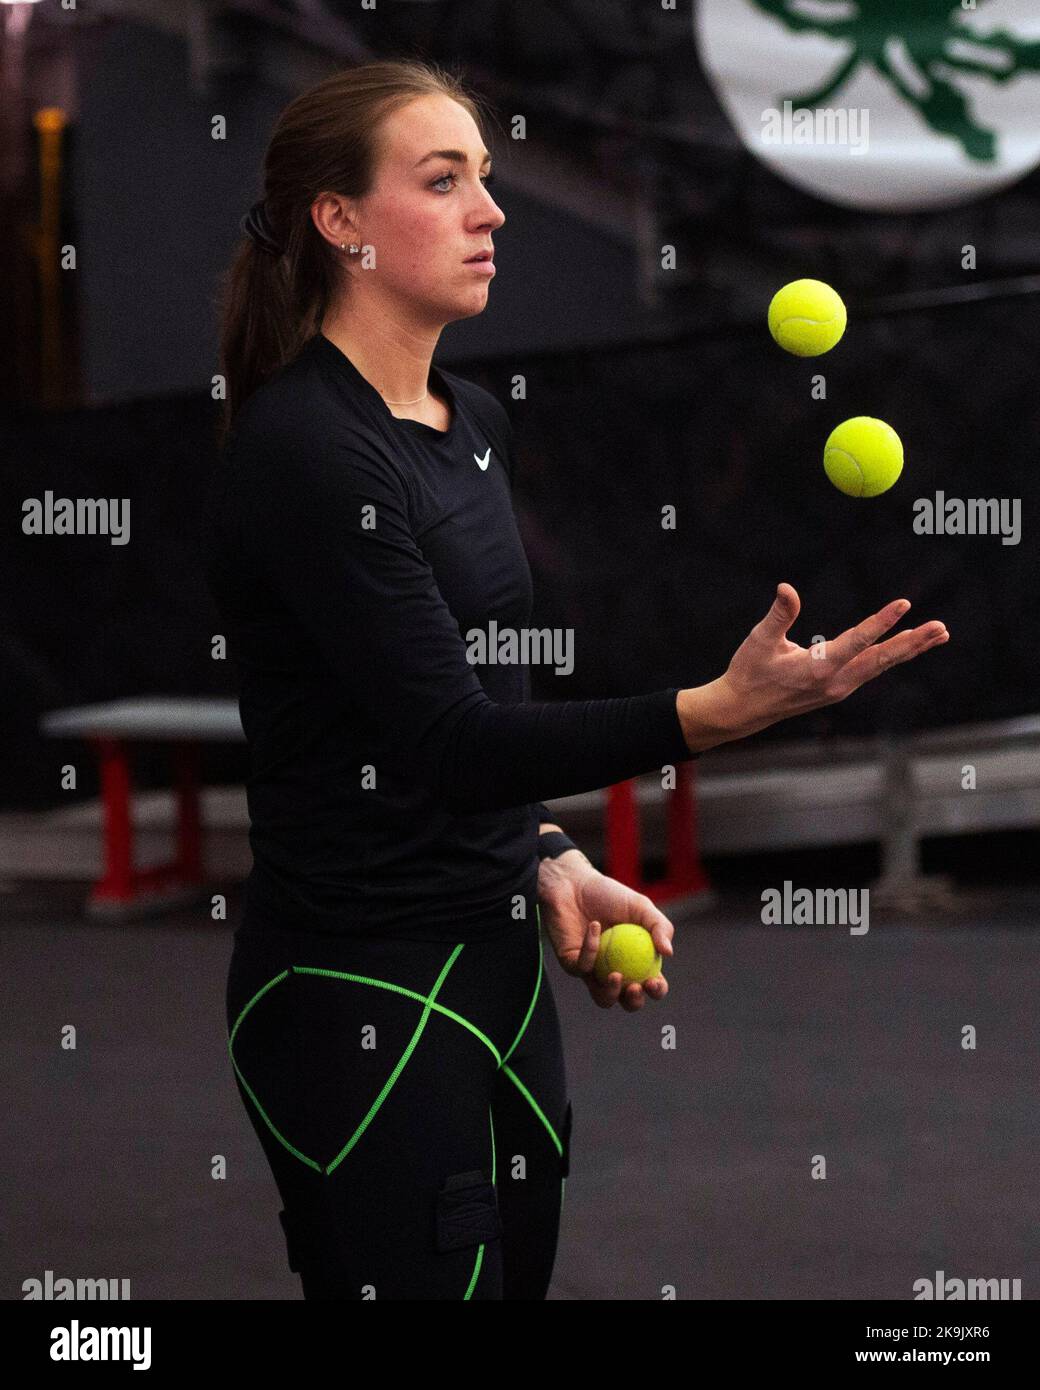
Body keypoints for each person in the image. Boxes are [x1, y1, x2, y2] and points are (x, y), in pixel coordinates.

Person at [203, 59, 949, 1301]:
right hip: (354, 990)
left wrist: (544, 853)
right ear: (338, 222)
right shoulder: (305, 453)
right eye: (442, 183)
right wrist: (711, 714)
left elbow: (477, 703)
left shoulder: (473, 421)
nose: (490, 211)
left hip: (497, 964)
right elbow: (444, 737)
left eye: (486, 180)